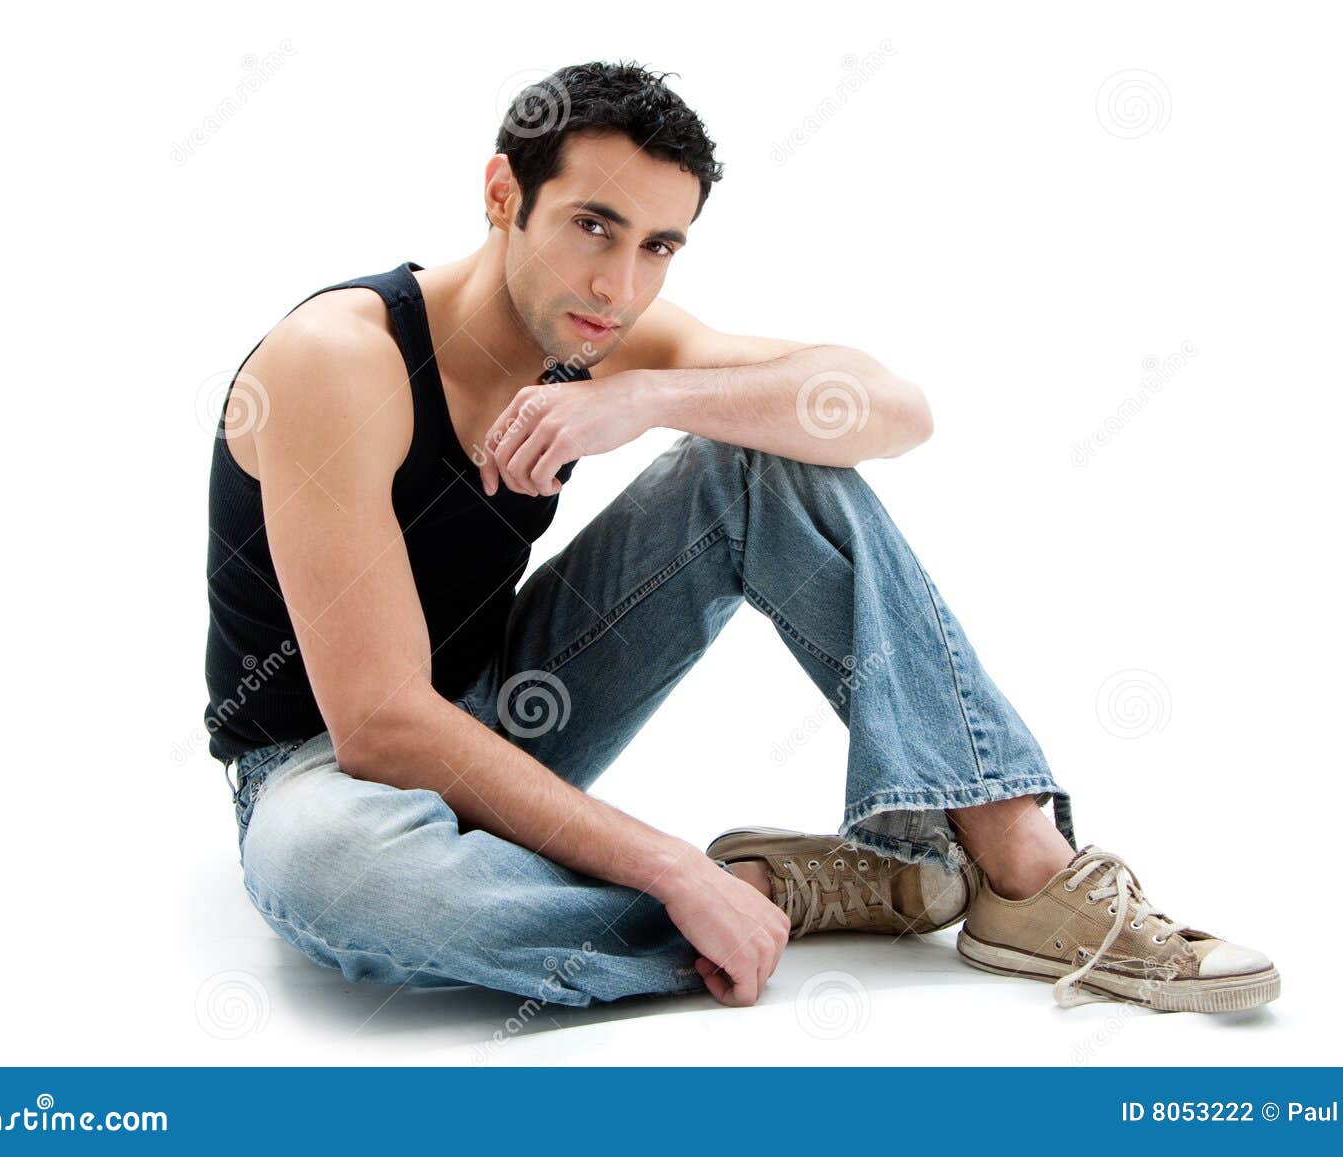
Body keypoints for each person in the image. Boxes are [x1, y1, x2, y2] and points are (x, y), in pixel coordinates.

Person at [204, 60, 1278, 1015]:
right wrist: (679, 865)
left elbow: (891, 406)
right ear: (502, 195)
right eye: (592, 225)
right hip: (322, 768)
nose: (618, 285)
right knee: (342, 869)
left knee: (753, 460)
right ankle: (766, 896)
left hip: (506, 706)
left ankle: (1020, 868)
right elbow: (382, 726)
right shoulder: (338, 360)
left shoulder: (605, 338)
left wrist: (653, 399)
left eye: (657, 246)